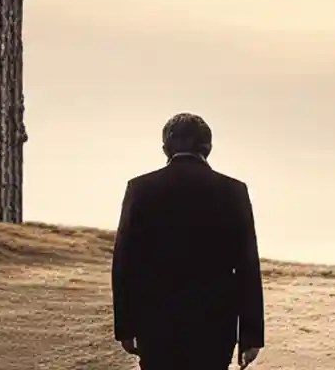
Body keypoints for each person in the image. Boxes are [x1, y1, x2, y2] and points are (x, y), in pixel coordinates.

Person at [111, 113, 265, 370]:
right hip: (215, 322)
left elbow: (124, 262)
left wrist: (125, 327)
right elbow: (248, 265)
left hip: (156, 321)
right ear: (209, 148)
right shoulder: (233, 191)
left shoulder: (140, 189)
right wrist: (250, 335)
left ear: (165, 149)